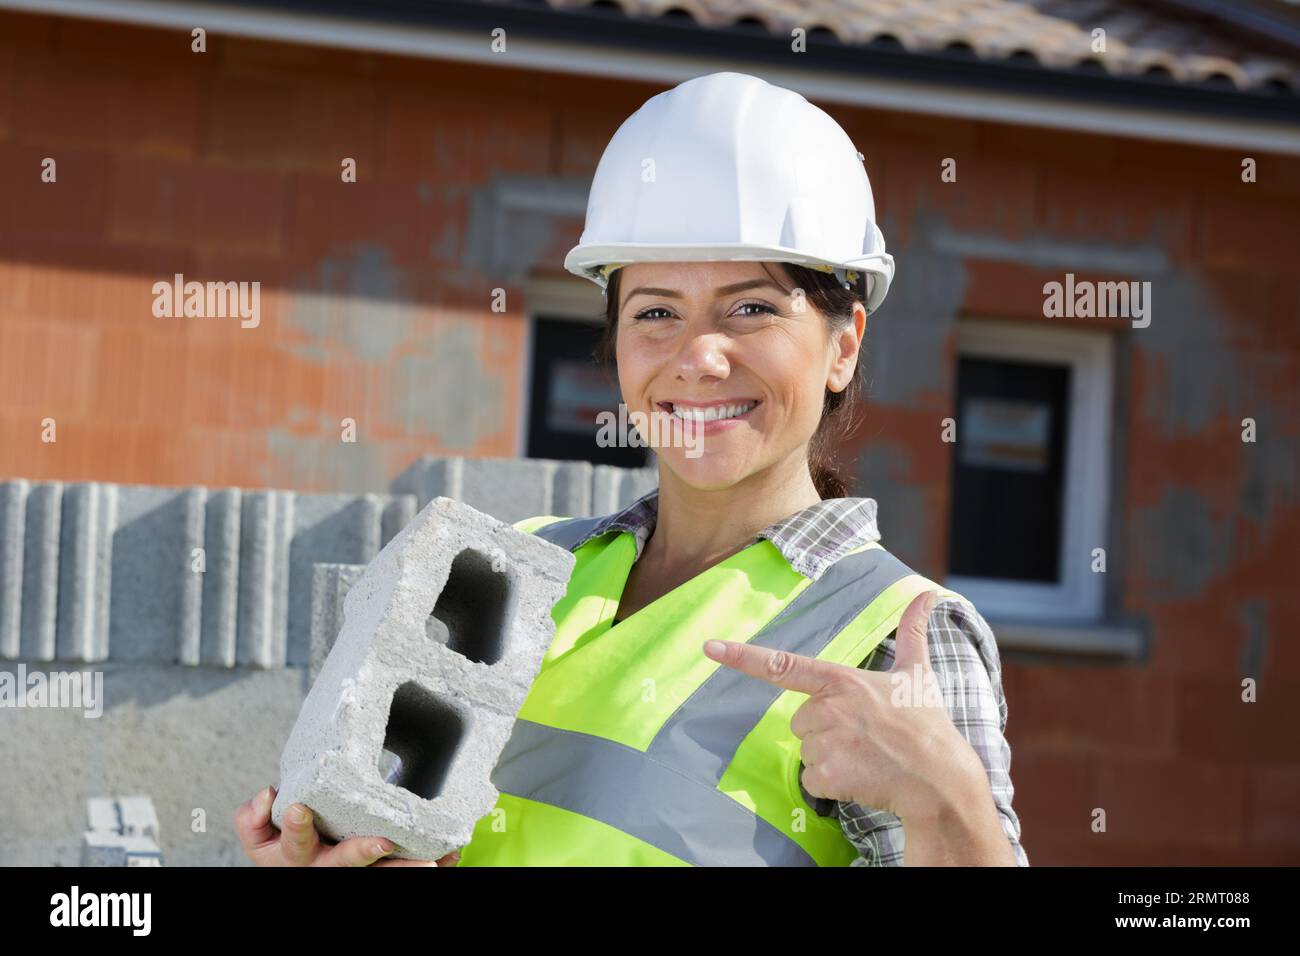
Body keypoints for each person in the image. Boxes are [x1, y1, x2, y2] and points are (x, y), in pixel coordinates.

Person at [236, 70, 1027, 867]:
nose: (698, 358)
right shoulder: (520, 572)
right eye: (655, 312)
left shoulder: (892, 637)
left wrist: (949, 808)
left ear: (844, 344)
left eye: (752, 308)